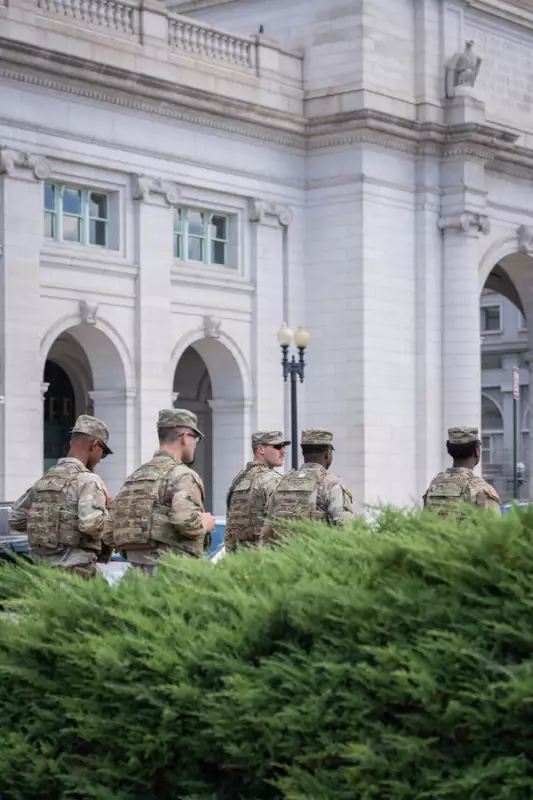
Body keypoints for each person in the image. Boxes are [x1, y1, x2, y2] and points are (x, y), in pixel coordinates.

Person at [110, 409, 215, 575]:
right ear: (185, 437)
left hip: (135, 571)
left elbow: (111, 527)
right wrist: (205, 523)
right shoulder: (183, 475)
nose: (195, 444)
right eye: (196, 438)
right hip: (171, 571)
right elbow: (184, 520)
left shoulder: (135, 476)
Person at [10, 414, 113, 578]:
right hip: (77, 573)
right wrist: (111, 513)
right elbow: (91, 524)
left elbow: (16, 519)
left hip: (43, 575)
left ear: (72, 443)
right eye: (104, 453)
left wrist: (48, 531)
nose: (101, 459)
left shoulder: (45, 480)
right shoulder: (88, 480)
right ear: (95, 445)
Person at [260, 428, 353, 545]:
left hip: (282, 559)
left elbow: (267, 530)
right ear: (327, 453)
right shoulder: (331, 483)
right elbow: (348, 529)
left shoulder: (282, 482)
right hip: (313, 559)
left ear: (303, 453)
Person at [225, 430, 290, 552]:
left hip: (237, 557)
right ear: (261, 449)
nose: (283, 451)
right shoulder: (272, 479)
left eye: (283, 447)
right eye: (277, 446)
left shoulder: (239, 479)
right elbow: (282, 524)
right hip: (261, 559)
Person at [423, 426, 501, 516]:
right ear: (477, 452)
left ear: (450, 451)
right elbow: (495, 528)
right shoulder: (481, 490)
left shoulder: (434, 485)